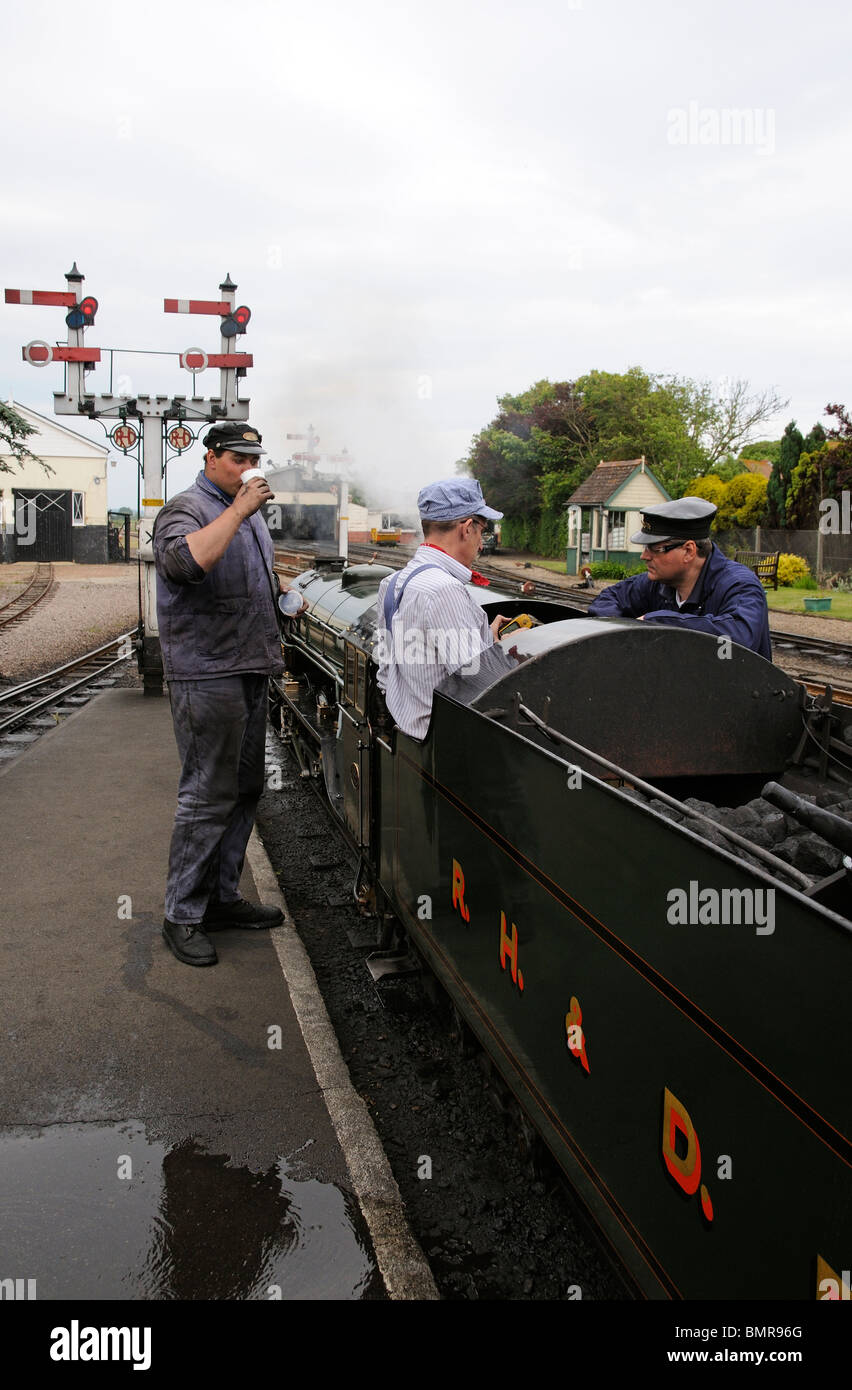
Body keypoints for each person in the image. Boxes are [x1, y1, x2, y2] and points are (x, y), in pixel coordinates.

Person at [153, 421, 299, 967]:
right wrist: (238, 510)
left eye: (253, 458)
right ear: (211, 457)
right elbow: (184, 565)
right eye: (238, 459)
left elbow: (244, 572)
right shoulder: (185, 509)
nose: (248, 468)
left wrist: (281, 591)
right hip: (206, 672)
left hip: (249, 666)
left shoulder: (252, 515)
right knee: (206, 794)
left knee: (244, 786)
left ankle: (220, 897)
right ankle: (182, 915)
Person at [376, 478, 511, 739]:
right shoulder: (444, 591)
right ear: (467, 528)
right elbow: (483, 683)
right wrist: (507, 650)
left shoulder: (392, 583)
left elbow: (386, 671)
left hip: (410, 736)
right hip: (447, 740)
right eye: (482, 530)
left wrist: (485, 639)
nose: (481, 543)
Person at [588, 497, 772, 660]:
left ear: (689, 551)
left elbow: (740, 636)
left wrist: (657, 623)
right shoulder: (655, 583)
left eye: (654, 548)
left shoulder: (739, 586)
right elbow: (608, 599)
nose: (644, 556)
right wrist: (623, 632)